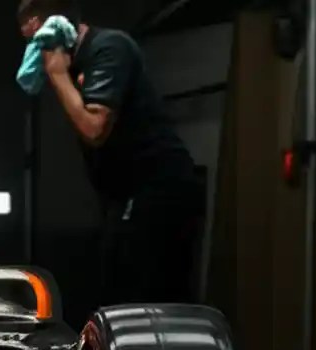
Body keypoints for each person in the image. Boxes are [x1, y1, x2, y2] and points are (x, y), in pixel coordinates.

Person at [18, 0, 205, 307]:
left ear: (55, 28)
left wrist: (58, 75)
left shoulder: (109, 48)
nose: (35, 52)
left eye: (38, 41)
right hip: (125, 196)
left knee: (145, 300)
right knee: (117, 291)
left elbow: (94, 128)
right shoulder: (76, 60)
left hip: (158, 189)